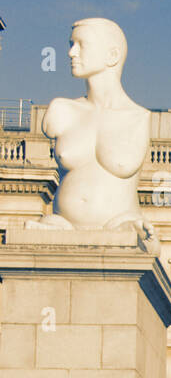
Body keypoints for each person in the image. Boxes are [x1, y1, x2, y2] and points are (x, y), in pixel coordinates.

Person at [31, 18, 152, 239]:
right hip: (60, 224)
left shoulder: (138, 118)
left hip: (122, 224)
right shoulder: (60, 110)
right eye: (71, 44)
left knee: (142, 238)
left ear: (112, 55)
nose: (71, 53)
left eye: (81, 44)